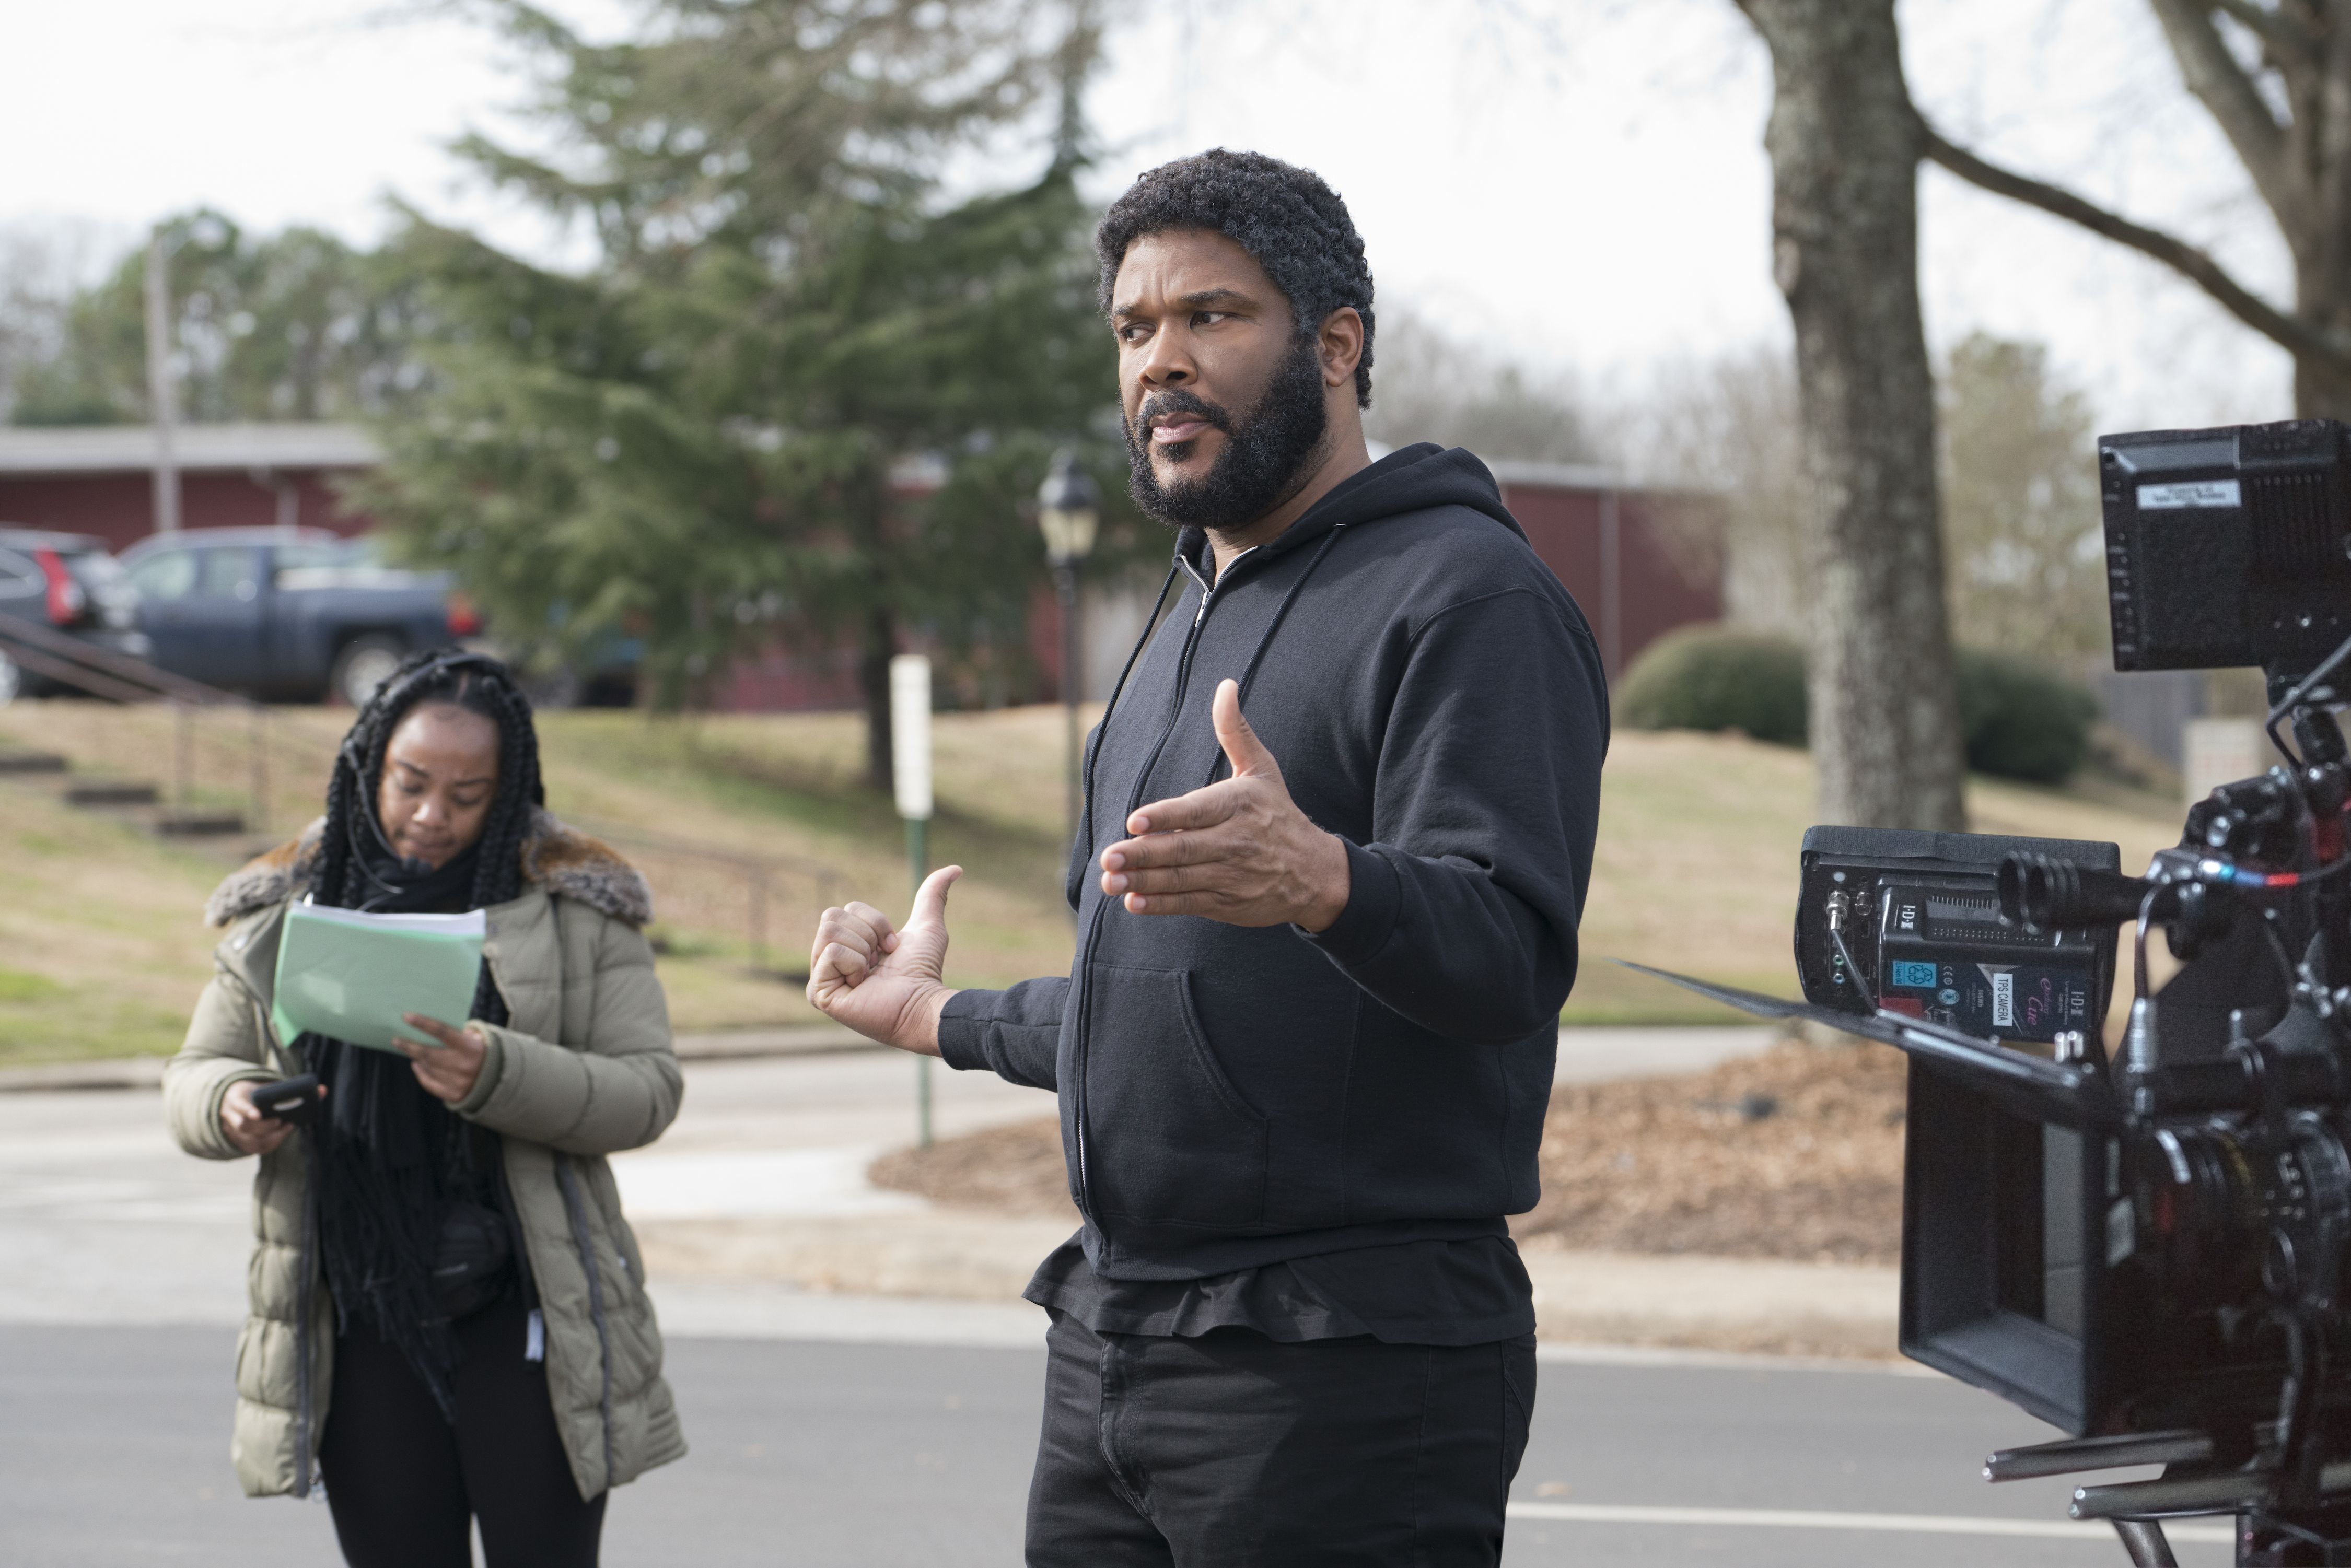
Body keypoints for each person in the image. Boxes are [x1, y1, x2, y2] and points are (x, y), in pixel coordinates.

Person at [807, 149, 1609, 1566]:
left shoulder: (1468, 595)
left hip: (1349, 1362)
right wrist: (935, 1017)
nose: (1160, 361)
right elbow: (1157, 1000)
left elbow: (1508, 957)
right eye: (1132, 330)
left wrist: (1326, 881)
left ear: (1336, 344)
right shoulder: (1180, 620)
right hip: (1113, 1341)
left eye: (1210, 318)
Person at [165, 649, 685, 1568]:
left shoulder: (576, 910)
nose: (430, 816)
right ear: (369, 766)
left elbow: (646, 1092)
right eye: (410, 784)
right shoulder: (282, 907)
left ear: (509, 790)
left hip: (530, 1314)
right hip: (358, 1314)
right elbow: (198, 1070)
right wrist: (232, 1104)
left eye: (467, 793)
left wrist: (497, 1071)